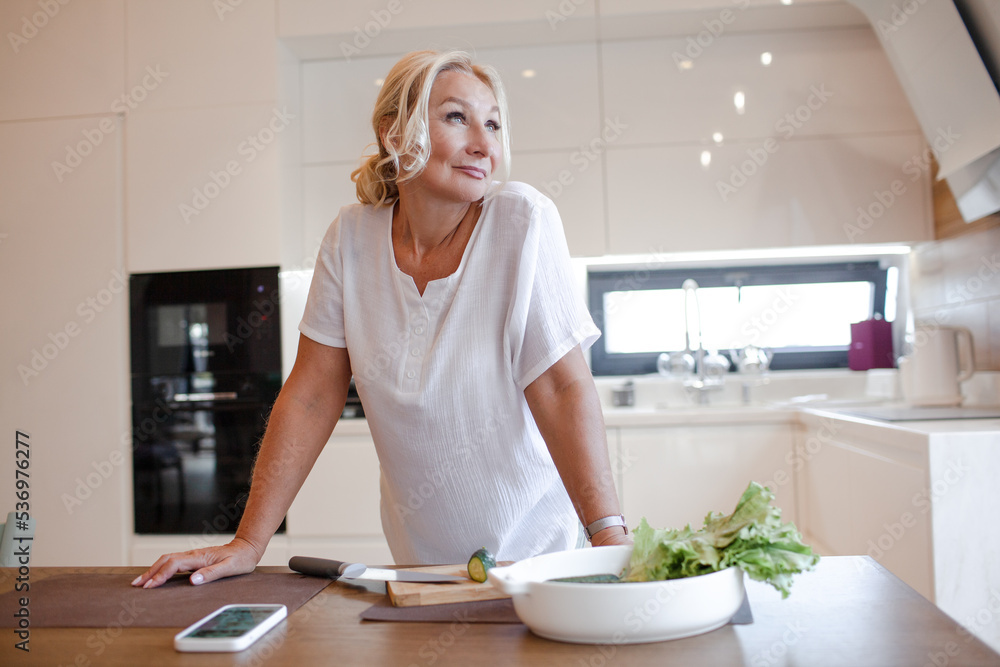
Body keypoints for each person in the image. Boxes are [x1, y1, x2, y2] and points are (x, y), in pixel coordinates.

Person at [132, 50, 628, 589]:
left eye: (492, 124)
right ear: (395, 134)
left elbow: (560, 386)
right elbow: (311, 394)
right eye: (457, 117)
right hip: (421, 570)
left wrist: (608, 538)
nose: (485, 146)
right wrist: (249, 542)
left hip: (538, 561)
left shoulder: (522, 220)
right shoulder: (350, 238)